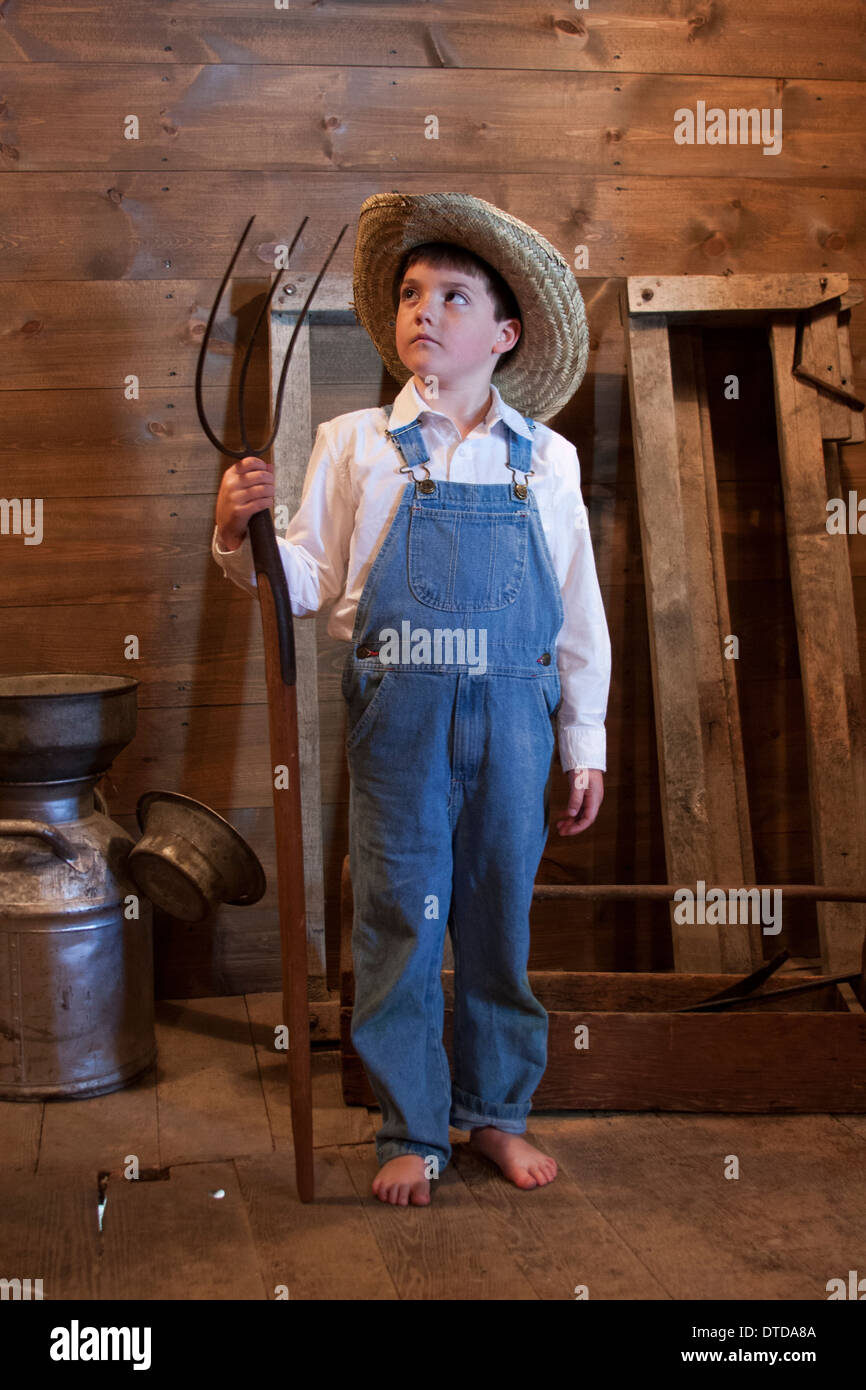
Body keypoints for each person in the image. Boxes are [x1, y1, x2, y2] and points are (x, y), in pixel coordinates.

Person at [212, 191, 611, 1209]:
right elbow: (302, 579)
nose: (422, 309)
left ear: (503, 333)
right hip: (400, 723)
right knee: (396, 914)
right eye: (408, 293)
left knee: (496, 918)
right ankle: (409, 1125)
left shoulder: (545, 461)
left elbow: (574, 612)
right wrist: (240, 533)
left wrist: (584, 735)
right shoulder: (355, 446)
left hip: (517, 724)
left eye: (451, 294)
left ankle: (494, 1115)